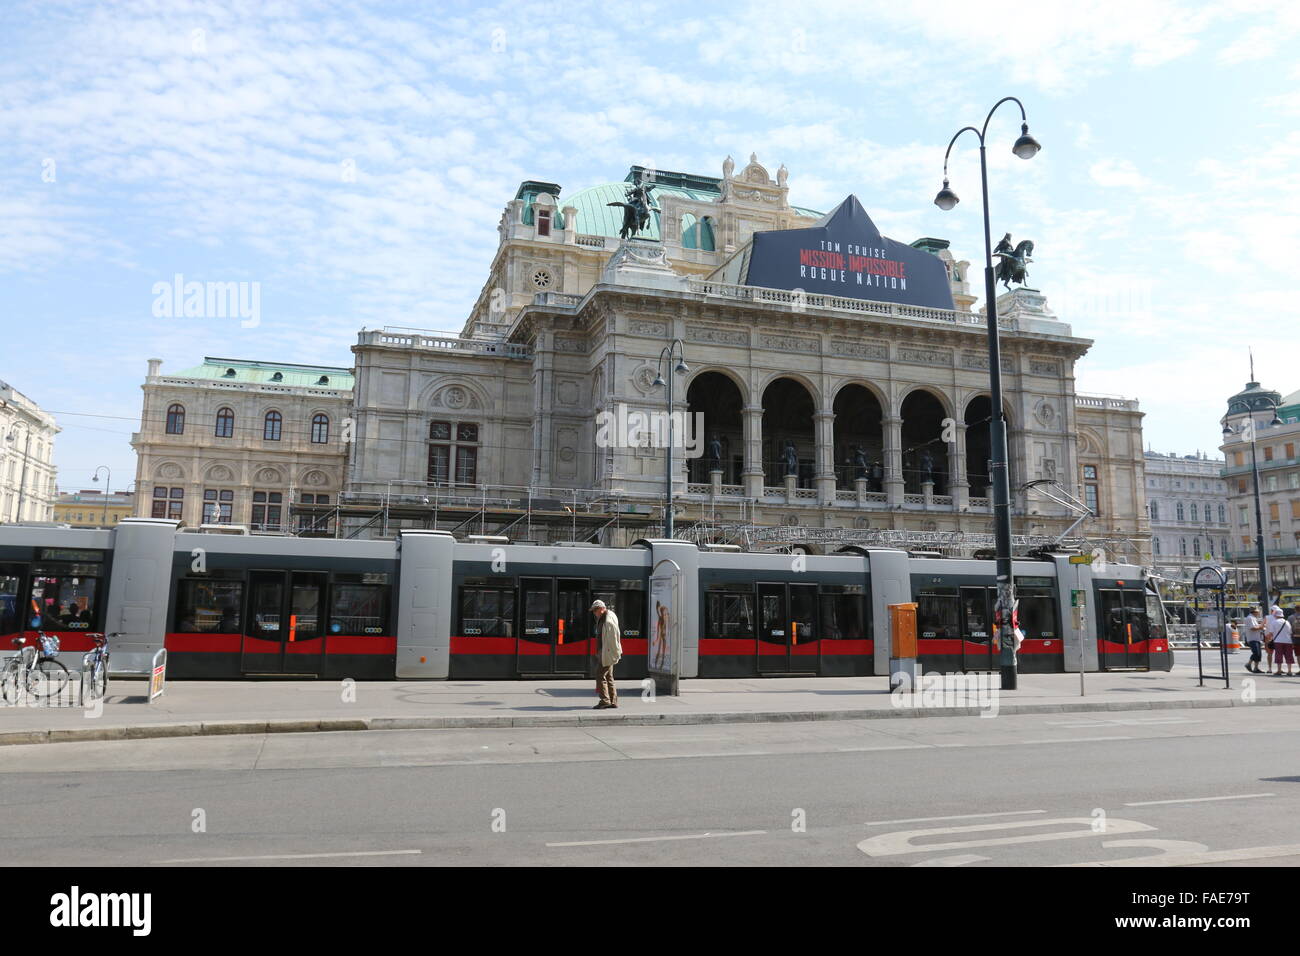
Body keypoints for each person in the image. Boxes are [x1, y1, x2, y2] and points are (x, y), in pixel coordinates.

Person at [590, 599, 622, 709]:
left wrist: (611, 655)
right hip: (605, 653)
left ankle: (605, 700)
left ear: (602, 609)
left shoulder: (607, 621)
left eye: (595, 610)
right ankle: (613, 701)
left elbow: (612, 640)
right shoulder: (605, 617)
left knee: (599, 674)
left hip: (607, 654)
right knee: (609, 676)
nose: (594, 612)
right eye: (593, 610)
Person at [1268, 606, 1294, 676]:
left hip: (1278, 641)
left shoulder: (1274, 622)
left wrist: (1268, 640)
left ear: (1276, 615)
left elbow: (1271, 633)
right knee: (1289, 656)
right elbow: (1290, 632)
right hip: (1288, 641)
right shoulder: (1287, 622)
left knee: (1278, 656)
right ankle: (1289, 671)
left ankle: (1279, 670)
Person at [1244, 607, 1266, 673]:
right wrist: (1261, 626)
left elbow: (1255, 627)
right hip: (1252, 638)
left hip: (1256, 638)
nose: (1258, 613)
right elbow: (1252, 628)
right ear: (1254, 612)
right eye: (1257, 612)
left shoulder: (1253, 618)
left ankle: (1256, 668)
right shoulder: (1250, 618)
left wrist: (1260, 627)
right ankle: (1248, 664)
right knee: (1256, 653)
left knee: (1259, 654)